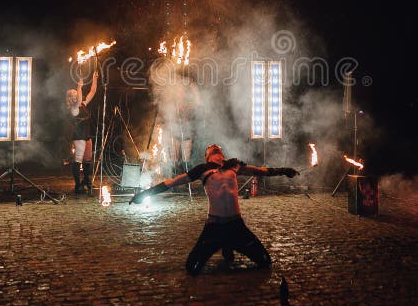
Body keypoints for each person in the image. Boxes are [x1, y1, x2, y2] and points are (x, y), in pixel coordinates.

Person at [129, 143, 299, 275]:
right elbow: (172, 182)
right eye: (211, 148)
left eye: (218, 147)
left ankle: (229, 244)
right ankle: (225, 244)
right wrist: (144, 195)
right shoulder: (202, 170)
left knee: (265, 261)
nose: (215, 146)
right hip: (214, 227)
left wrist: (285, 171)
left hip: (236, 226)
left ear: (222, 154)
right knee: (192, 268)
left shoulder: (234, 165)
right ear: (207, 156)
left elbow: (262, 171)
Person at [66, 70, 99, 194]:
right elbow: (79, 99)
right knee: (78, 159)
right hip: (79, 135)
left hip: (87, 134)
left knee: (88, 158)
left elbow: (92, 92)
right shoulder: (74, 108)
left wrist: (94, 78)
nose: (76, 95)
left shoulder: (83, 104)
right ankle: (77, 184)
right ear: (70, 98)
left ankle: (86, 180)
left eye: (76, 93)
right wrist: (79, 86)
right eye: (73, 94)